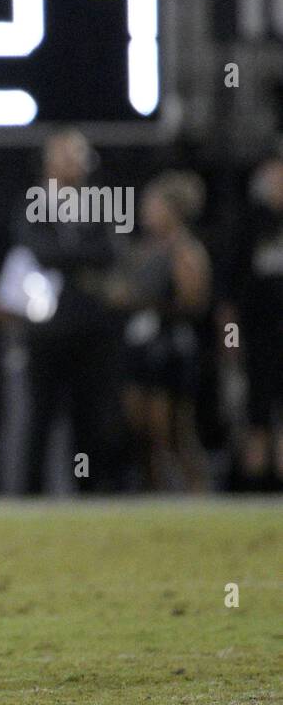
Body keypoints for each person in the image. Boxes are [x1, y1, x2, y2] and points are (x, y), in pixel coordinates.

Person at [13, 129, 125, 493]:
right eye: (64, 155)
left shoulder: (102, 201)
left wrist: (66, 261)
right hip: (46, 330)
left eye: (77, 155)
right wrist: (79, 265)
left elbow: (110, 252)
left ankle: (90, 493)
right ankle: (29, 495)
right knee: (39, 415)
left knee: (91, 417)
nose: (72, 163)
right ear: (48, 161)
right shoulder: (32, 201)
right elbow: (36, 249)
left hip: (92, 329)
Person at [114, 172, 212, 490]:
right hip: (139, 344)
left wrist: (144, 302)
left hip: (171, 343)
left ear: (174, 210)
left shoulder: (186, 250)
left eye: (153, 206)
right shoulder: (142, 248)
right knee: (138, 425)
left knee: (169, 427)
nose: (146, 212)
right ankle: (152, 490)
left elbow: (194, 301)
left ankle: (197, 489)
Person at [226, 154, 283, 489]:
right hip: (257, 340)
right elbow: (229, 300)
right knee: (256, 414)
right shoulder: (248, 228)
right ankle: (254, 487)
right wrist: (231, 343)